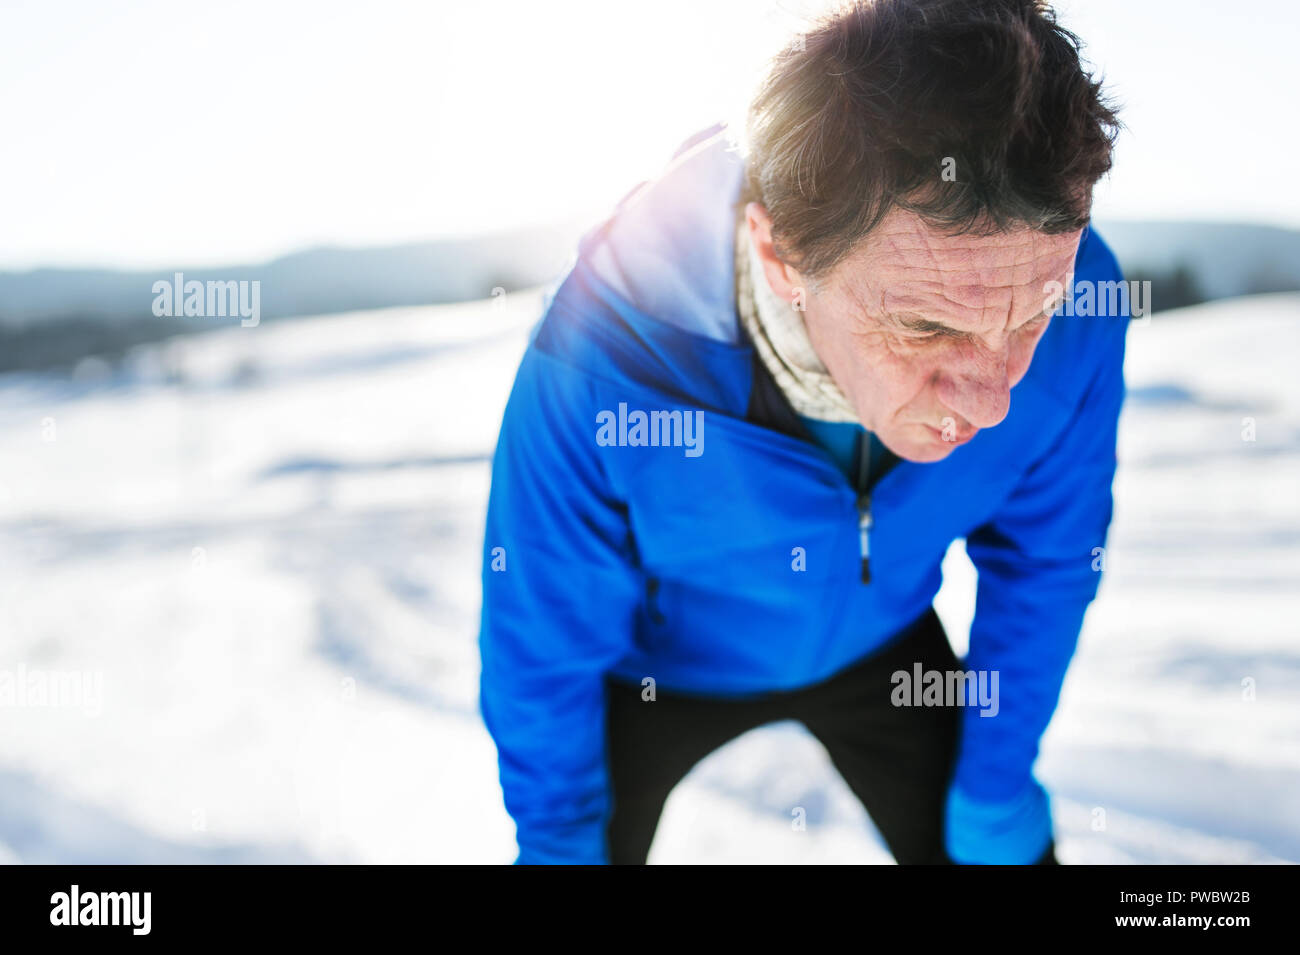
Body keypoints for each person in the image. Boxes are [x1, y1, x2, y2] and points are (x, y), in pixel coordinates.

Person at [479, 0, 1128, 865]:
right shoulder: (601, 357)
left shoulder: (1080, 301)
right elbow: (541, 632)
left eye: (1032, 316)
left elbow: (1046, 563)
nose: (991, 401)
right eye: (927, 328)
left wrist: (996, 781)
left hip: (881, 641)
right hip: (658, 672)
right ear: (781, 257)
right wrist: (560, 838)